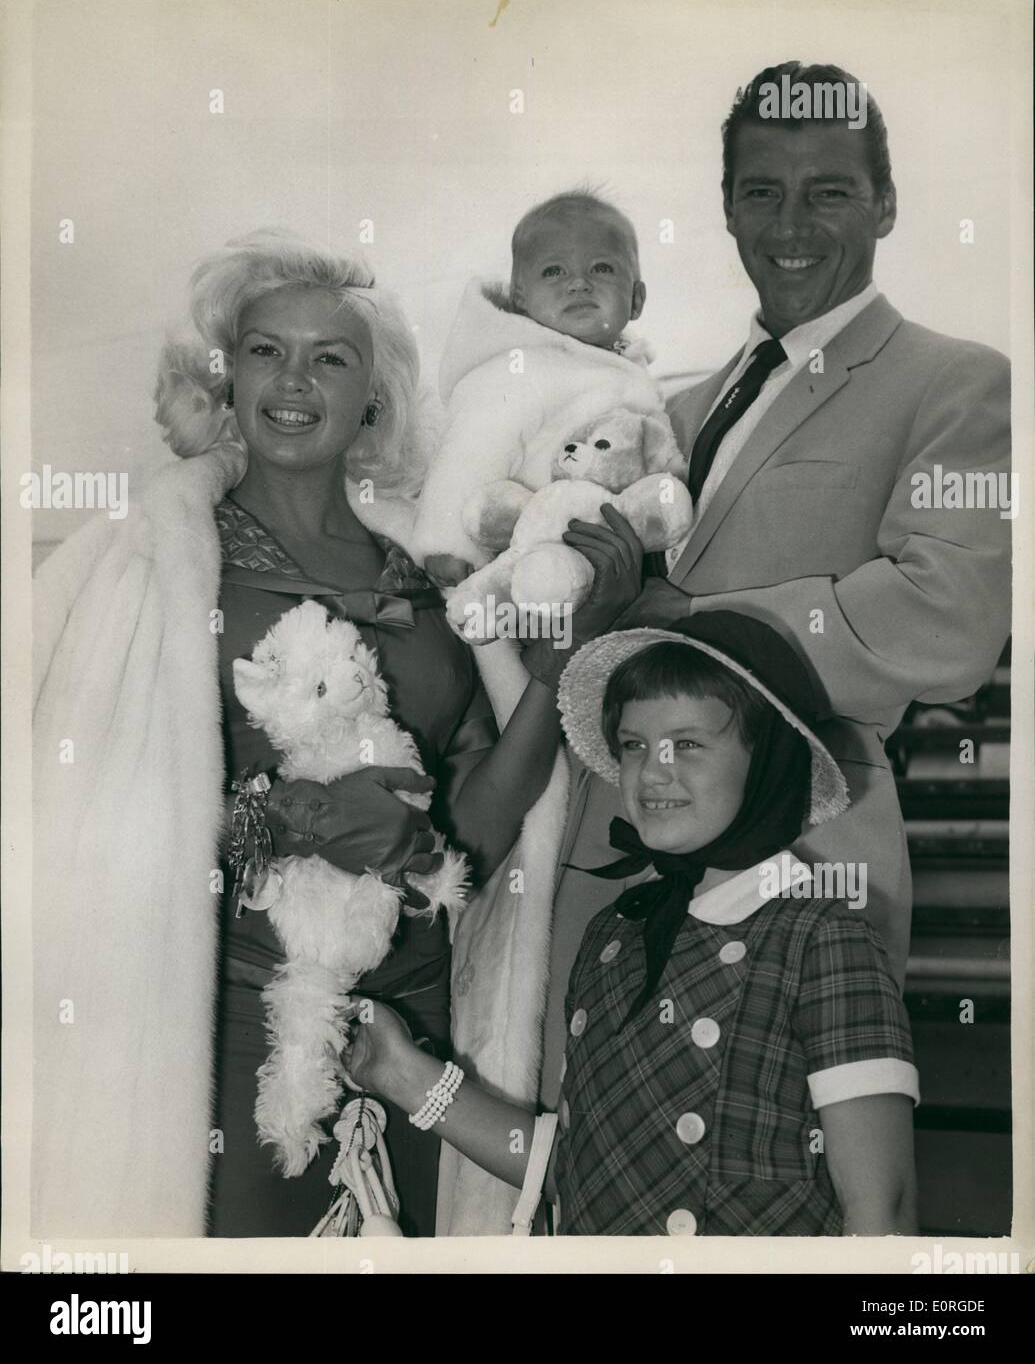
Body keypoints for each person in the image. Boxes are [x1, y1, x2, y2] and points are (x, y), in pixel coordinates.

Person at [30, 229, 641, 1238]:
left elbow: (478, 833)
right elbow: (84, 823)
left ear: (373, 397)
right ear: (222, 380)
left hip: (414, 1036)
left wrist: (559, 665)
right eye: (265, 350)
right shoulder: (143, 565)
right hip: (221, 1032)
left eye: (331, 357)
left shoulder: (435, 577)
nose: (294, 381)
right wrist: (283, 821)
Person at [541, 62, 1012, 1110]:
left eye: (830, 191)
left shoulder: (956, 380)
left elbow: (954, 617)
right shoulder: (669, 402)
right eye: (763, 191)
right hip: (612, 863)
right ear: (727, 207)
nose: (791, 224)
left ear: (885, 203)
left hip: (808, 867)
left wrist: (690, 625)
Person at [347, 611, 919, 1237]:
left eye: (689, 743)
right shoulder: (614, 935)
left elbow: (881, 1210)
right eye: (634, 744)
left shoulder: (824, 939)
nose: (653, 771)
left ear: (769, 760)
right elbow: (582, 1165)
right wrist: (401, 1073)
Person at [408, 188, 673, 584]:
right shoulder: (518, 369)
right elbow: (469, 451)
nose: (578, 284)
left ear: (636, 299)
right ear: (520, 298)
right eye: (554, 271)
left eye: (601, 268)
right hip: (526, 553)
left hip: (612, 560)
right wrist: (448, 544)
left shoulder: (632, 372)